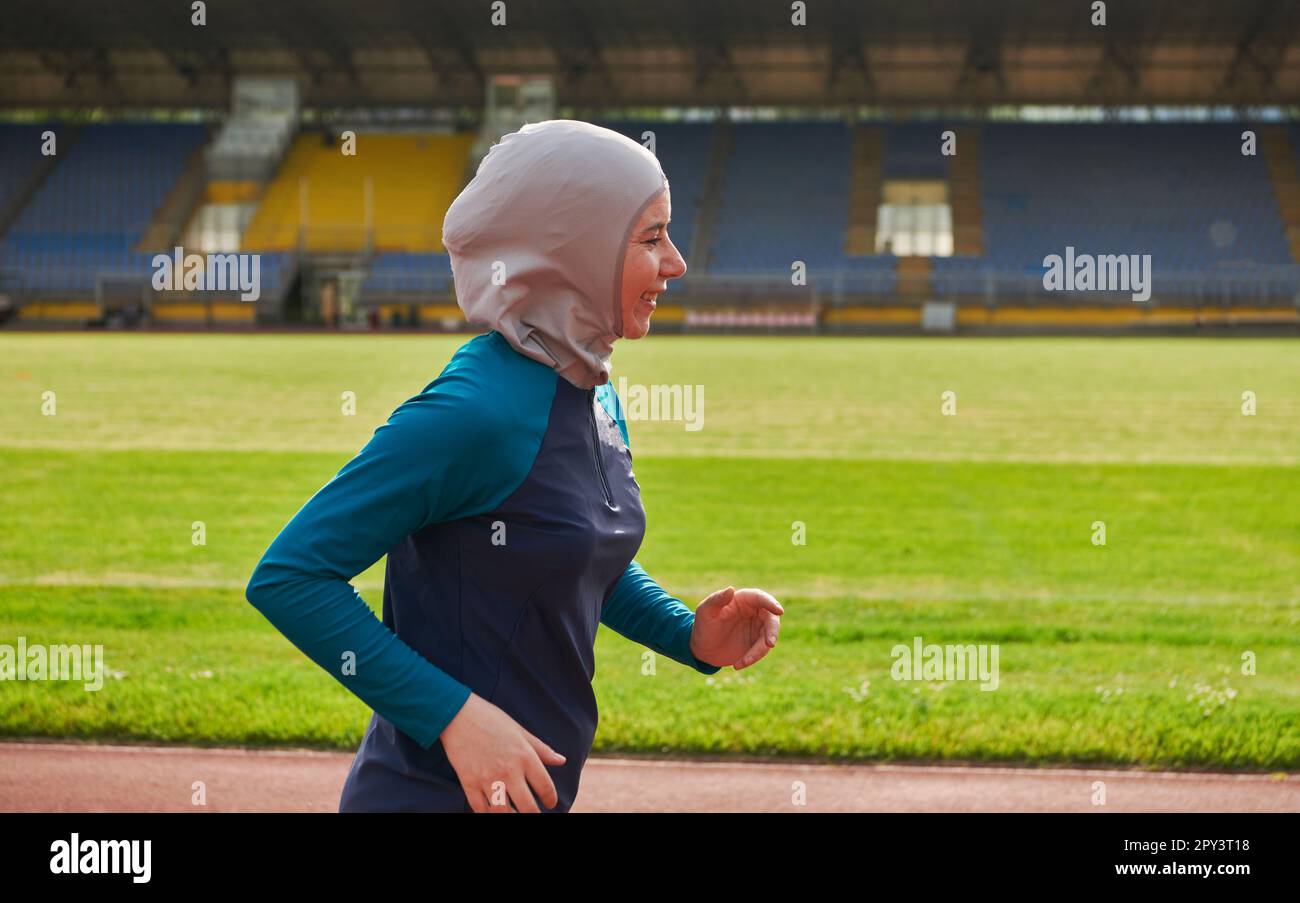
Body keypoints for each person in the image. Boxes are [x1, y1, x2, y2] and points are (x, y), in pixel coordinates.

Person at [245, 119, 784, 813]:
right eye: (651, 238)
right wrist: (453, 716)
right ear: (575, 251)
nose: (676, 262)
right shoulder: (476, 410)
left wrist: (686, 633)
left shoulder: (590, 385)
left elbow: (568, 550)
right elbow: (290, 576)